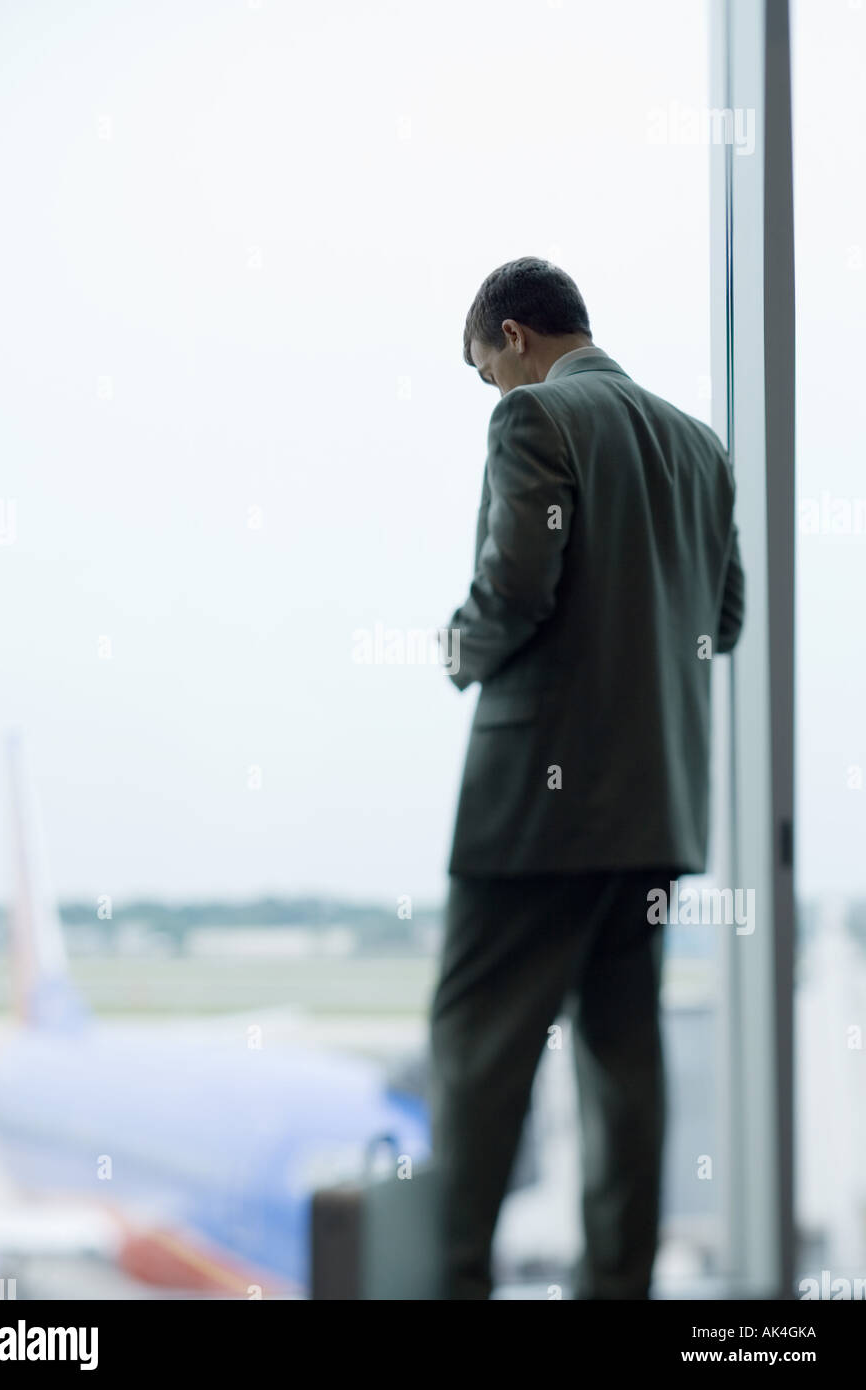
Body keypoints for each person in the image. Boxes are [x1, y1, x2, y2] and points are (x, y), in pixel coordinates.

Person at [430, 256, 744, 1299]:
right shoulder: (698, 448)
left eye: (490, 371)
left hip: (538, 806)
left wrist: (457, 647)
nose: (497, 395)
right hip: (655, 812)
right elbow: (725, 618)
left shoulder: (538, 421)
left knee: (480, 1056)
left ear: (515, 336)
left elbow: (514, 587)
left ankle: (456, 1284)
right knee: (622, 1063)